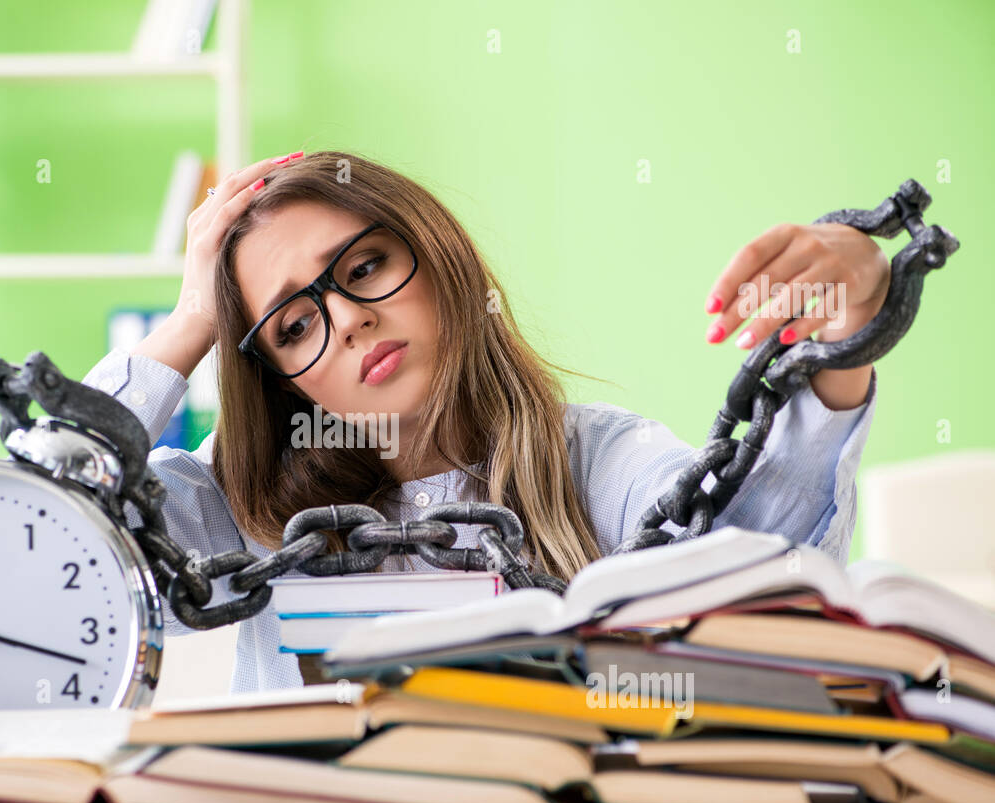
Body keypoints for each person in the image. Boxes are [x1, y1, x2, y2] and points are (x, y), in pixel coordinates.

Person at [83, 149, 886, 693]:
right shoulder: (239, 507)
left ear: (437, 254)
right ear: (285, 383)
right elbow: (48, 548)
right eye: (294, 326)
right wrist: (188, 323)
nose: (350, 319)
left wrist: (843, 349)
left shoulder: (597, 459)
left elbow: (757, 569)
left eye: (364, 268)